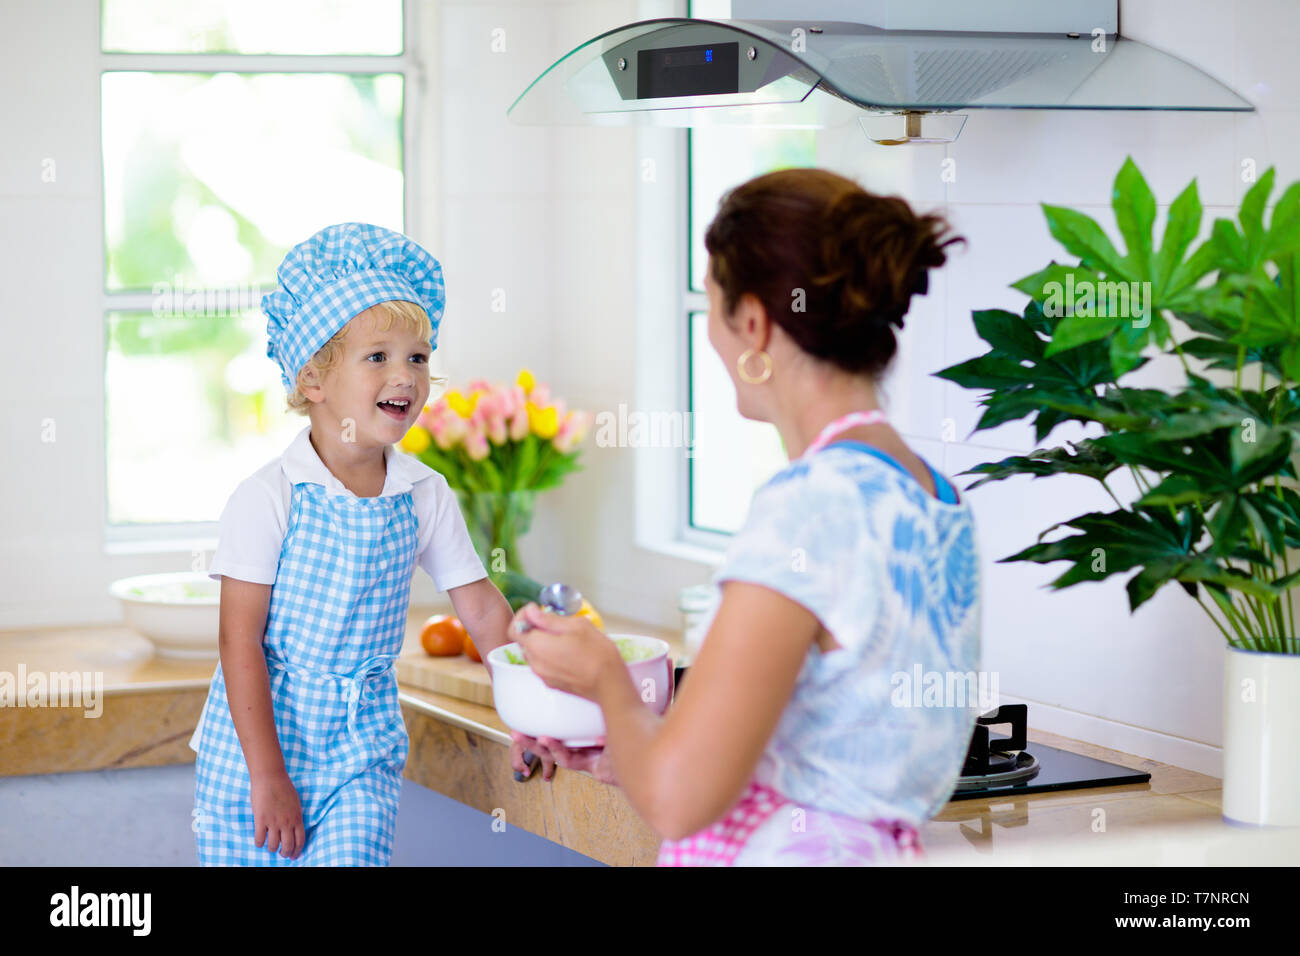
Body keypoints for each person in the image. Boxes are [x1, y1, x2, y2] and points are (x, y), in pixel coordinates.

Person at [509, 168, 981, 866]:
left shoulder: (808, 507)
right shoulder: (935, 495)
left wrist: (608, 681)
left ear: (755, 323)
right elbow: (820, 754)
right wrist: (634, 741)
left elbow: (676, 802)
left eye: (714, 310)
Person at [190, 222, 515, 865]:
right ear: (313, 377)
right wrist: (269, 776)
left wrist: (532, 713)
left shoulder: (423, 493)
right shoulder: (269, 496)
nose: (407, 375)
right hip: (256, 750)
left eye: (418, 357)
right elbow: (239, 642)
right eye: (379, 357)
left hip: (360, 750)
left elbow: (481, 610)